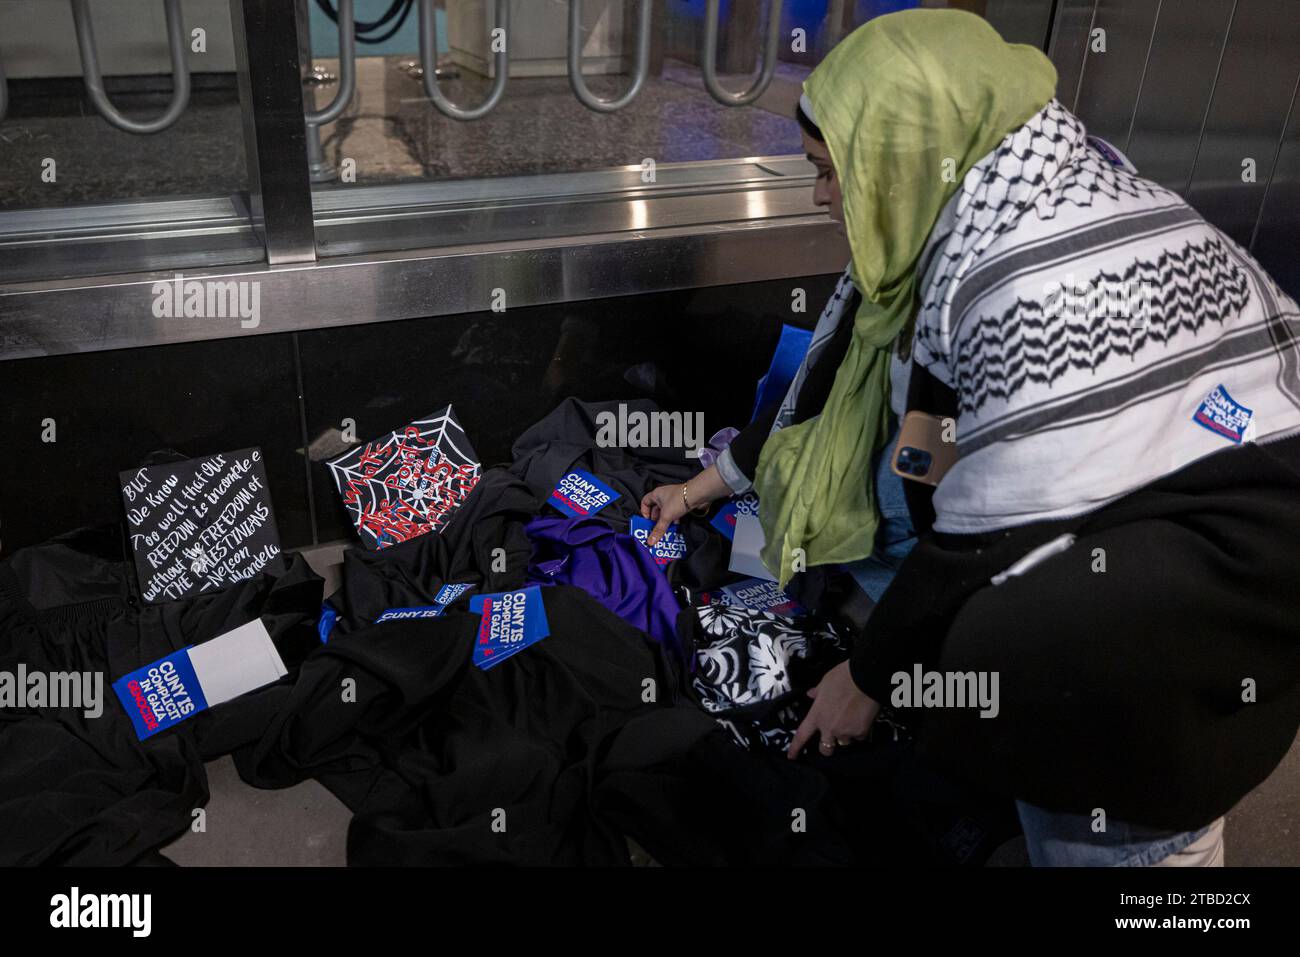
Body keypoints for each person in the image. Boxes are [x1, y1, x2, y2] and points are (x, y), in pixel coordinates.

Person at [641, 8, 1300, 866]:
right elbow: (840, 382)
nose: (819, 196)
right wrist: (705, 486)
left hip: (1209, 600)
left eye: (826, 171)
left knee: (1106, 788)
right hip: (1164, 524)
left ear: (895, 155)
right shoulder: (987, 201)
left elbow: (979, 542)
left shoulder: (1023, 284)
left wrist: (865, 678)